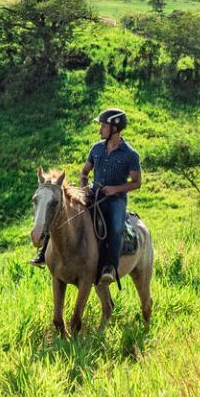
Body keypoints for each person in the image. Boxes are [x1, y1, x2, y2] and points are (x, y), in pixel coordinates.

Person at [82, 108, 142, 285]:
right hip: (94, 194)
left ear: (115, 128)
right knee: (68, 213)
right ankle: (44, 253)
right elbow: (85, 172)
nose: (100, 130)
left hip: (116, 200)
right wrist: (84, 188)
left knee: (116, 228)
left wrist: (115, 189)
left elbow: (136, 182)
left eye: (103, 126)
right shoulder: (96, 149)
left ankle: (109, 267)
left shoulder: (130, 154)